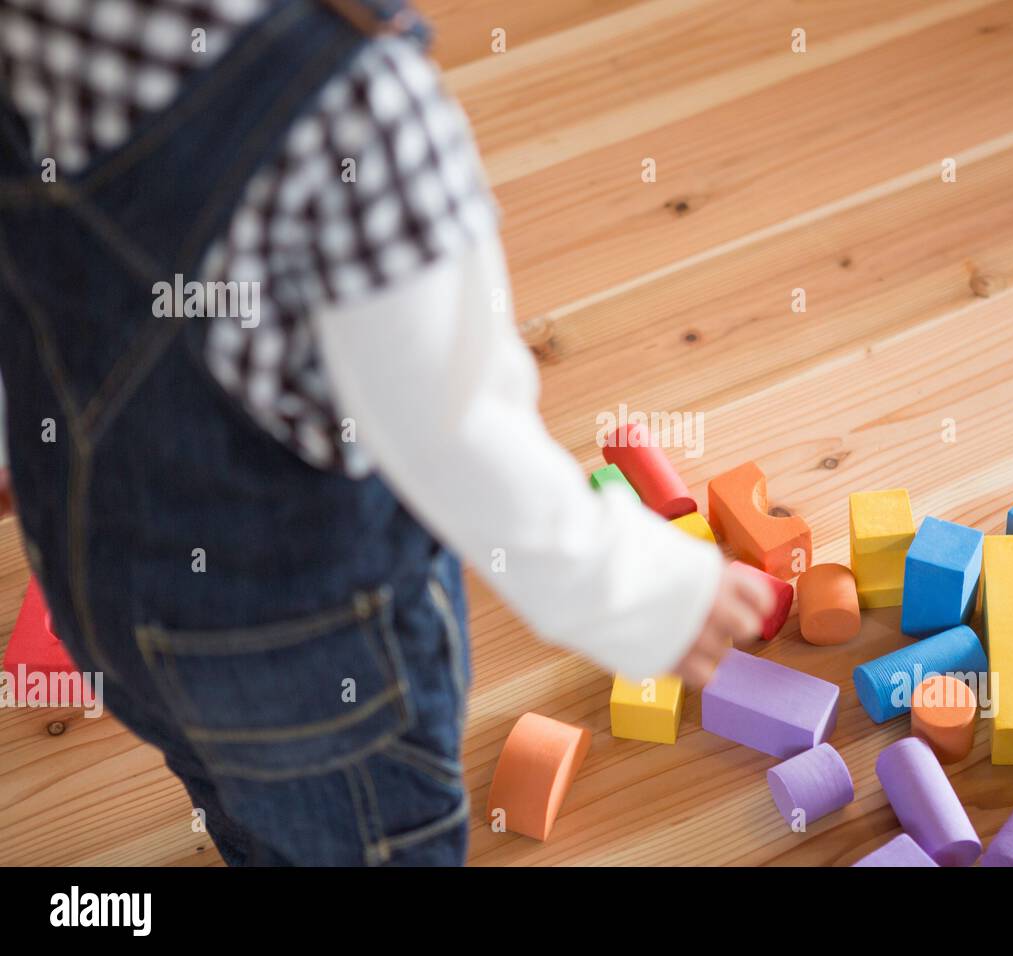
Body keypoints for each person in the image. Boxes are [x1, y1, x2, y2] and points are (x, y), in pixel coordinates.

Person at [0, 0, 772, 865]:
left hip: (97, 573)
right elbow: (457, 428)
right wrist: (648, 592)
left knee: (235, 778)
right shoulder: (361, 103)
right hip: (308, 650)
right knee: (356, 826)